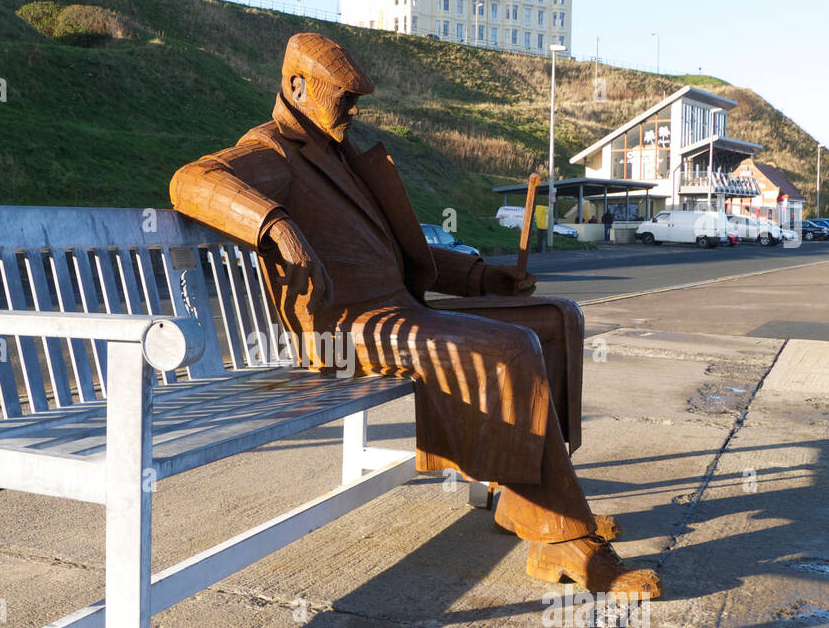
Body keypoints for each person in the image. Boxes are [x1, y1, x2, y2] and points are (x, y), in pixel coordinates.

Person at [169, 33, 661, 598]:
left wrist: (480, 277)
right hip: (342, 331)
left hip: (396, 313)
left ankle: (535, 497)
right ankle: (559, 539)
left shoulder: (341, 156)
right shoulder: (272, 151)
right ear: (297, 86)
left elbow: (403, 256)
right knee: (510, 348)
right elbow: (191, 180)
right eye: (344, 97)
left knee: (554, 319)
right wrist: (276, 226)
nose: (354, 110)